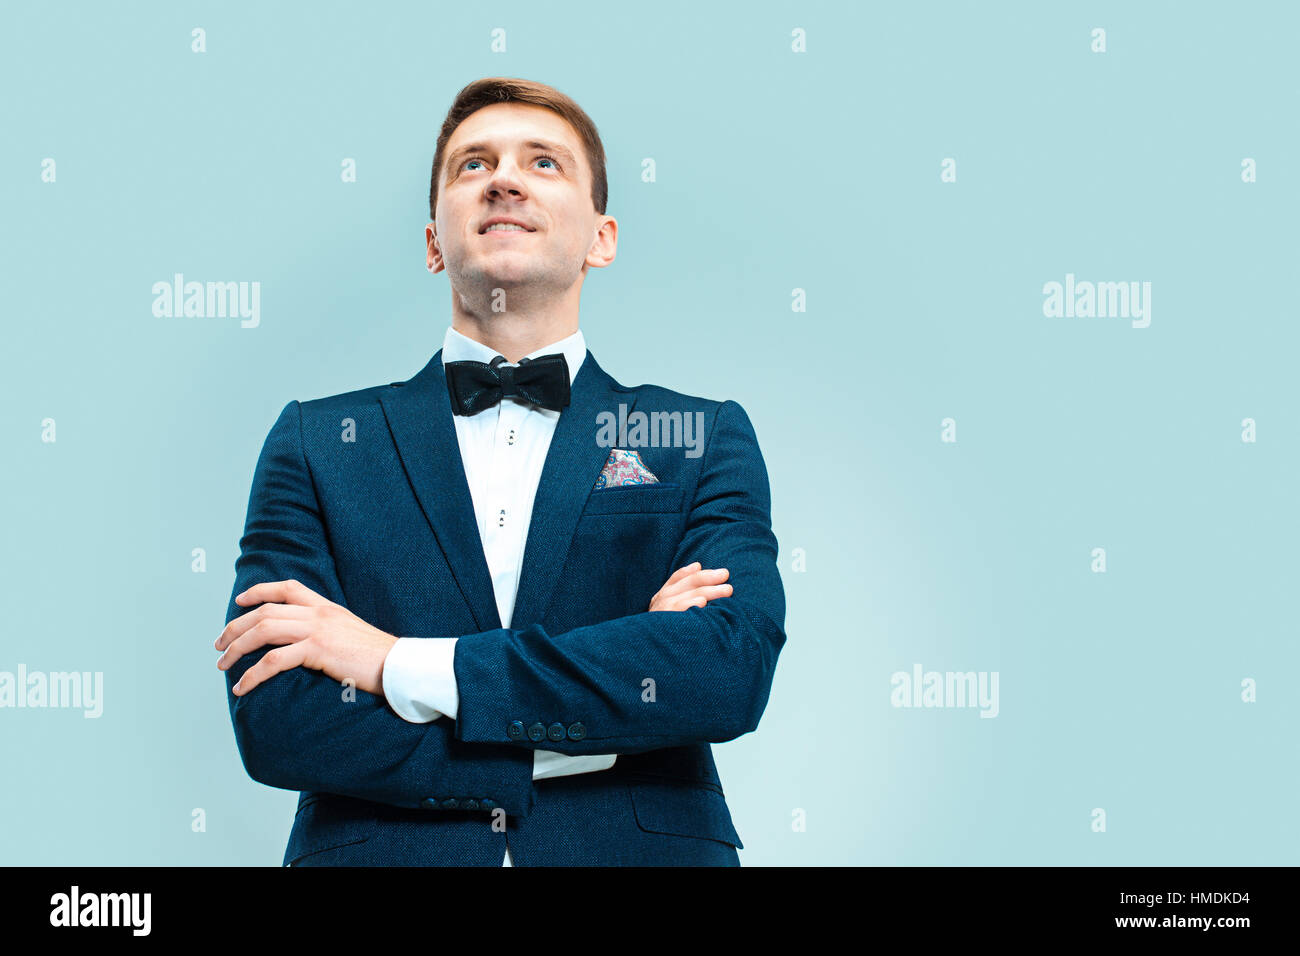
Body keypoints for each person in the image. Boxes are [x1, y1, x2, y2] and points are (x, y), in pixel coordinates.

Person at [215, 76, 786, 866]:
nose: (505, 179)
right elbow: (281, 720)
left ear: (602, 238)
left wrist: (391, 662)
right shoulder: (316, 441)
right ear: (432, 243)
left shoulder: (696, 435)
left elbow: (722, 670)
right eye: (473, 164)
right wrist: (608, 717)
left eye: (543, 163)